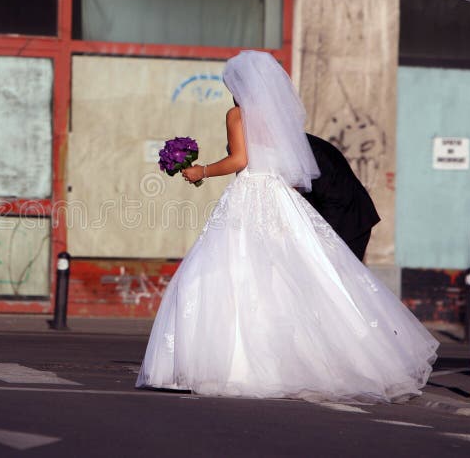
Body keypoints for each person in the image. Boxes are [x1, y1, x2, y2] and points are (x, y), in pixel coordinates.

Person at [136, 50, 437, 403]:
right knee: (297, 273)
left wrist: (201, 170)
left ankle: (230, 365)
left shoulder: (237, 115)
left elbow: (240, 160)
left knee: (222, 273)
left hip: (249, 195)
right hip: (279, 198)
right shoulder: (278, 118)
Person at [302, 133, 380, 261]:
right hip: (334, 212)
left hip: (347, 220)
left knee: (340, 275)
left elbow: (335, 199)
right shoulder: (298, 146)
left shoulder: (310, 151)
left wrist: (324, 238)